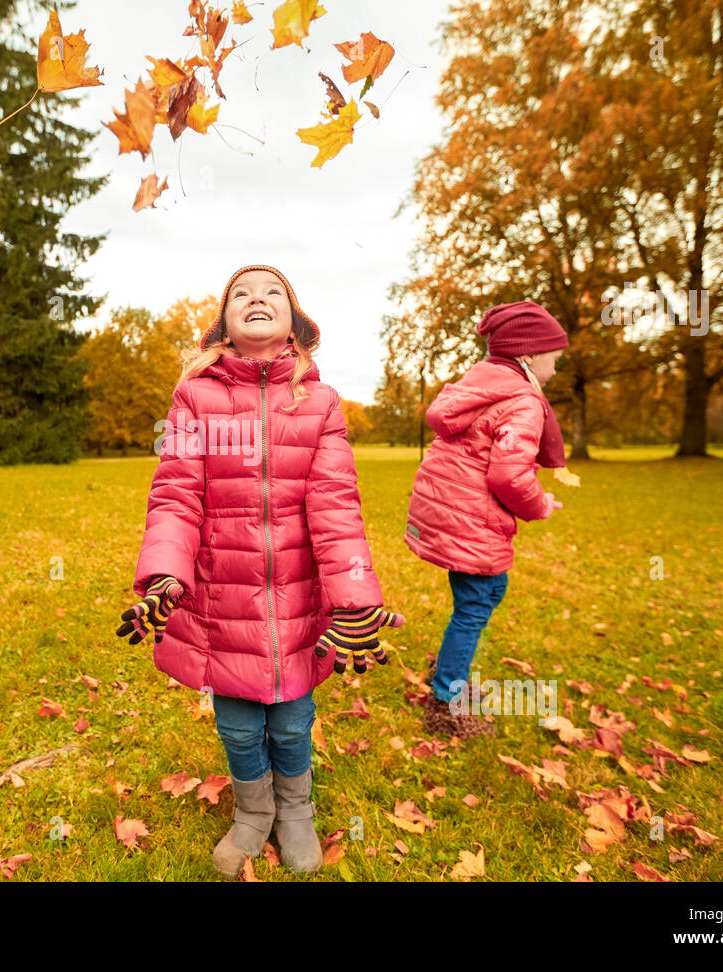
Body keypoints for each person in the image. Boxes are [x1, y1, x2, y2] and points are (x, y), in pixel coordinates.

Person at [117, 264, 404, 879]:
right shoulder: (194, 397)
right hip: (222, 595)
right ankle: (253, 811)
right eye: (240, 294)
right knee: (239, 724)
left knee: (295, 718)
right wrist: (164, 574)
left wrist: (353, 596)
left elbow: (337, 504)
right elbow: (174, 495)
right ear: (222, 322)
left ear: (294, 323)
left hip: (300, 595)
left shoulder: (322, 402)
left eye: (272, 292)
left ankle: (295, 809)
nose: (256, 299)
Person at [403, 301, 572, 739]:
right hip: (470, 520)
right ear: (529, 355)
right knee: (477, 603)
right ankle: (445, 702)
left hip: (451, 513)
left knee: (482, 595)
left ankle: (449, 668)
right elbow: (509, 474)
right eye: (555, 358)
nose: (556, 369)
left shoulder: (478, 386)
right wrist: (539, 506)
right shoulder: (522, 401)